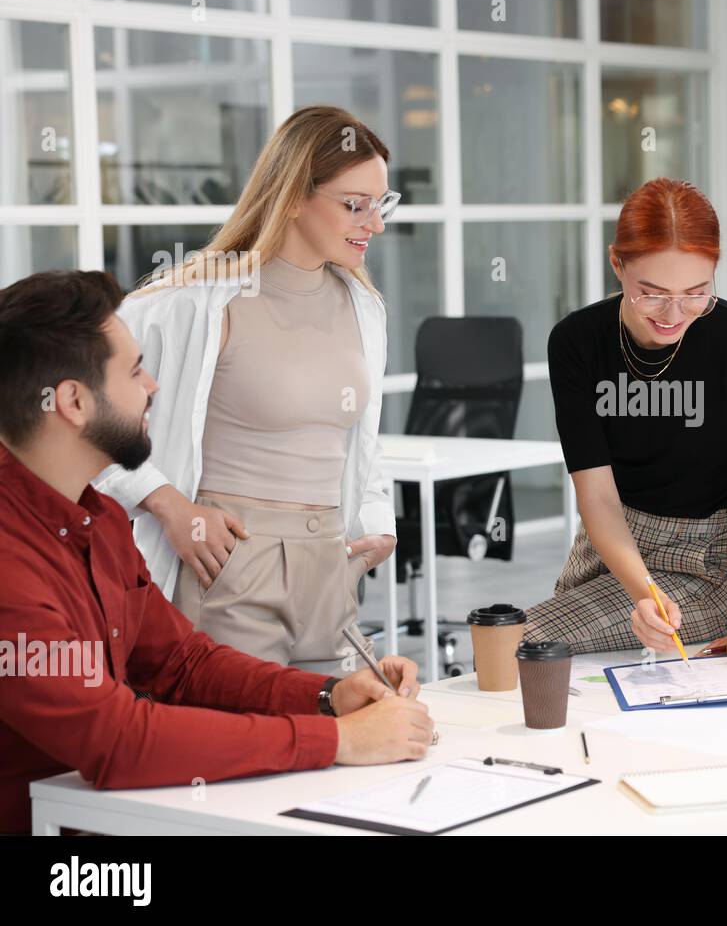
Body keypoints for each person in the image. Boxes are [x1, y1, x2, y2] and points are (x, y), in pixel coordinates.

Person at [0, 269, 434, 836]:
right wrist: (338, 741)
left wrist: (329, 696)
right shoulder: (11, 561)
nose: (153, 385)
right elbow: (118, 741)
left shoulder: (97, 518)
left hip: (106, 820)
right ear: (74, 402)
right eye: (133, 371)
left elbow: (182, 664)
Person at [93, 106, 399, 675]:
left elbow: (361, 435)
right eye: (356, 205)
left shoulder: (363, 308)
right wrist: (168, 504)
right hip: (232, 561)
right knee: (255, 747)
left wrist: (378, 519)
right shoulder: (187, 306)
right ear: (292, 195)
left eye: (382, 204)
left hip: (331, 561)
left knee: (356, 741)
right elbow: (87, 426)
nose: (375, 224)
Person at [524, 178, 727, 673]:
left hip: (709, 563)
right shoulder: (577, 342)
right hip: (610, 549)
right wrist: (642, 590)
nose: (673, 315)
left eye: (696, 293)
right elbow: (597, 496)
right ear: (617, 264)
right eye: (652, 295)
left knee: (525, 638)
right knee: (558, 665)